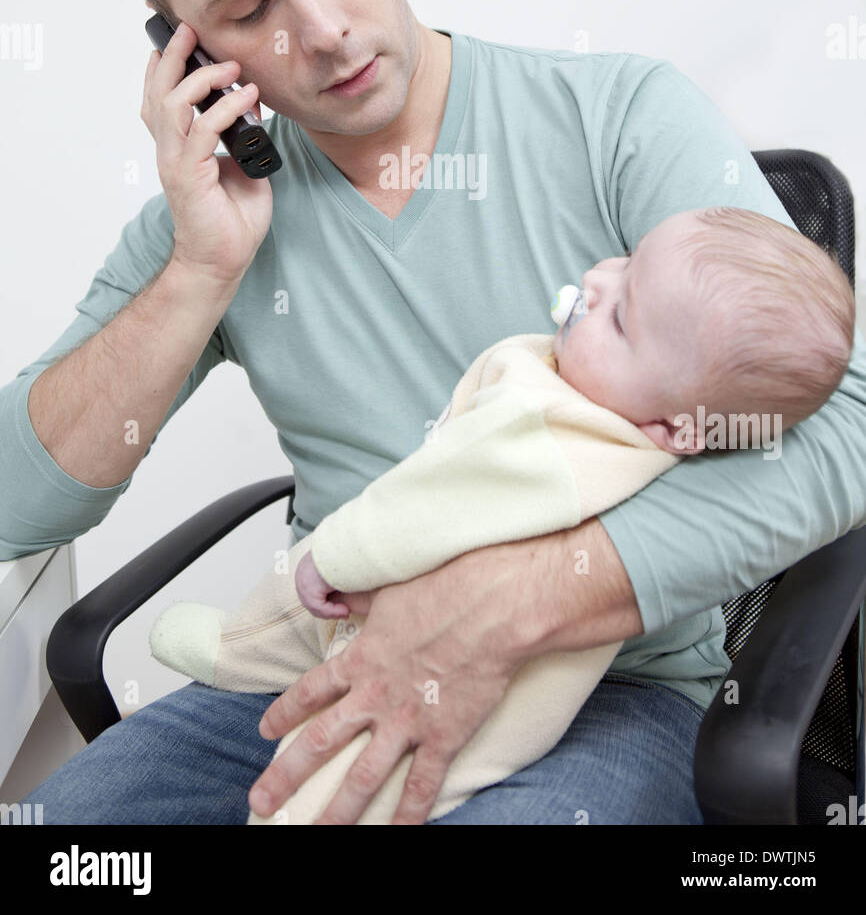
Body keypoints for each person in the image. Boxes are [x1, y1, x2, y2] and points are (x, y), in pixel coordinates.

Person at [4, 0, 865, 827]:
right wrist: (196, 274)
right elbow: (18, 504)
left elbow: (849, 429)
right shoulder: (206, 225)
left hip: (606, 693)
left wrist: (507, 605)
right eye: (247, 9)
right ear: (186, 49)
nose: (321, 30)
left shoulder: (618, 118)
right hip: (318, 674)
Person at [145, 205, 855, 824]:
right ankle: (241, 649)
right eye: (628, 260)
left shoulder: (557, 439)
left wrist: (340, 557)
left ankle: (254, 686)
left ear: (676, 428)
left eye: (620, 316)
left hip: (502, 692)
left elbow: (430, 504)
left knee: (343, 784)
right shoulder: (623, 404)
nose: (599, 280)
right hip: (415, 647)